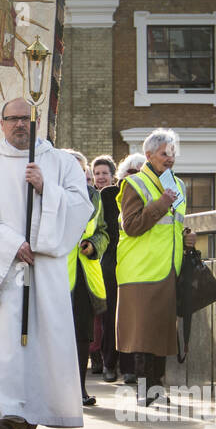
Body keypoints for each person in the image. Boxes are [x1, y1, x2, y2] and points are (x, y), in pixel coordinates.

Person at [0, 99, 91, 429]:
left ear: (36, 123)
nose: (20, 125)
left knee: (41, 343)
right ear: (1, 124)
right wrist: (10, 244)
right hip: (4, 270)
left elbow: (82, 205)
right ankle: (7, 415)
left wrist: (46, 189)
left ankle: (32, 416)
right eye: (13, 119)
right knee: (6, 345)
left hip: (45, 268)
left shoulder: (60, 162)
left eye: (26, 119)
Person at [116, 129, 196, 407]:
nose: (170, 158)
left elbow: (173, 223)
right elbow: (132, 225)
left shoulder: (179, 185)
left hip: (168, 268)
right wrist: (161, 204)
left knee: (162, 331)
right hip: (140, 269)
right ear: (148, 155)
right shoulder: (134, 184)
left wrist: (187, 239)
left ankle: (157, 388)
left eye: (173, 153)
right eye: (165, 153)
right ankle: (144, 389)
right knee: (143, 332)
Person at [64, 149, 107, 406]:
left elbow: (102, 232)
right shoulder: (51, 193)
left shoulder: (94, 197)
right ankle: (60, 390)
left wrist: (93, 245)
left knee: (83, 336)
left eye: (84, 171)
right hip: (58, 274)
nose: (81, 176)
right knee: (58, 336)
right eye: (75, 170)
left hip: (84, 276)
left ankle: (79, 389)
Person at [89, 155, 122, 381]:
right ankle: (104, 359)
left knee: (117, 313)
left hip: (119, 259)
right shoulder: (90, 197)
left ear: (113, 176)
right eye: (97, 173)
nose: (101, 177)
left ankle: (121, 363)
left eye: (104, 173)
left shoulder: (118, 196)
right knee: (103, 314)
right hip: (96, 259)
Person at [114, 153, 146, 385]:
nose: (135, 179)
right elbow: (131, 226)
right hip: (128, 265)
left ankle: (141, 373)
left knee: (141, 323)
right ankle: (127, 368)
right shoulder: (124, 192)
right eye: (131, 174)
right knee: (128, 322)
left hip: (151, 265)